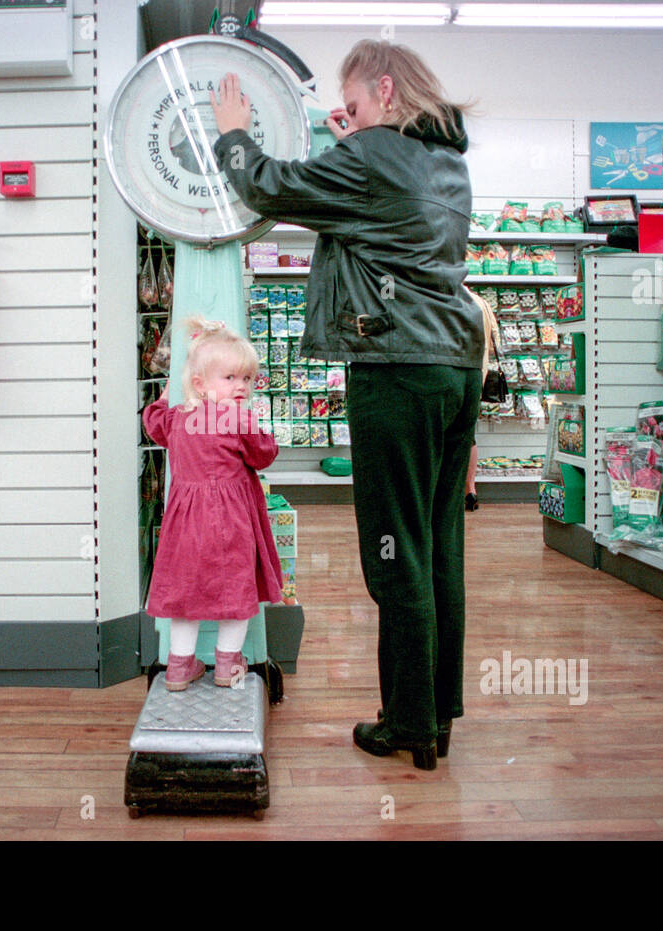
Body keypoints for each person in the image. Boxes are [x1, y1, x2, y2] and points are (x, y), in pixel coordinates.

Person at [211, 40, 481, 769]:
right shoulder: (446, 160)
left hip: (395, 369)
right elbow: (381, 206)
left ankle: (408, 724)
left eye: (355, 105)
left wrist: (233, 131)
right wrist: (356, 137)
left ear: (385, 91)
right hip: (455, 368)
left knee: (394, 553)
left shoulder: (370, 159)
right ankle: (433, 715)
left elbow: (268, 186)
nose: (350, 118)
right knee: (438, 547)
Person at [142, 316, 284, 691]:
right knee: (236, 590)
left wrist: (165, 394)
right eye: (231, 378)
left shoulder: (177, 418)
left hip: (184, 524)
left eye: (247, 379)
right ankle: (227, 665)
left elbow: (152, 423)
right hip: (232, 522)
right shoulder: (240, 419)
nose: (241, 387)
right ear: (201, 384)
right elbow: (264, 455)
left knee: (184, 593)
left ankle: (177, 667)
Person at [465, 289, 501, 512]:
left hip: (455, 375)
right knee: (468, 436)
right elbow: (492, 340)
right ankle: (470, 489)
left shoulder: (449, 299)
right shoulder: (482, 303)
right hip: (478, 376)